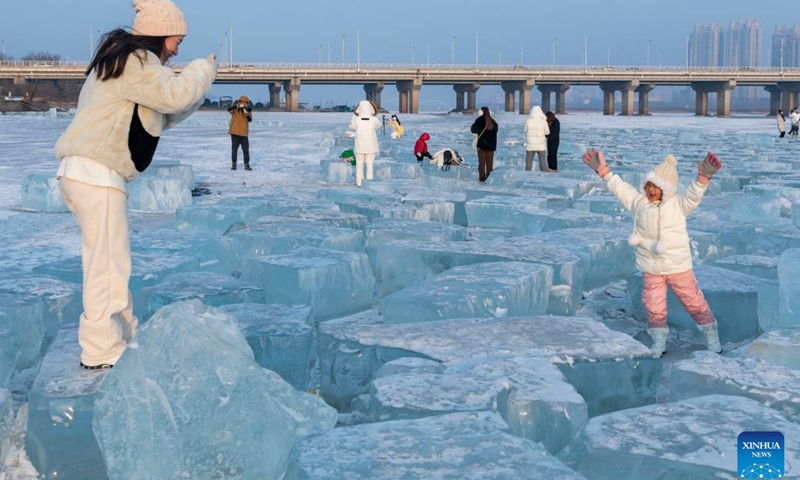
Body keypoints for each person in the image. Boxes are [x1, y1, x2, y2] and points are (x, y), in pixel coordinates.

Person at [54, 0, 217, 369]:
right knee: (107, 265)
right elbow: (174, 94)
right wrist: (203, 69)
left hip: (86, 173)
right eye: (177, 40)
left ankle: (124, 333)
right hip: (96, 173)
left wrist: (196, 85)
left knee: (112, 260)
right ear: (160, 35)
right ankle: (101, 350)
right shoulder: (137, 63)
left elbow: (165, 110)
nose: (177, 49)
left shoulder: (125, 65)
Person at [581, 148, 724, 357]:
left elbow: (693, 195)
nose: (651, 191)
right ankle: (659, 342)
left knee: (694, 302)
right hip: (651, 268)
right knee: (654, 306)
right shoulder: (639, 204)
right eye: (649, 186)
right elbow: (621, 189)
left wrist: (703, 177)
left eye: (656, 188)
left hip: (677, 266)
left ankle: (711, 335)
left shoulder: (678, 204)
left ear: (666, 189)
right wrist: (604, 171)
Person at [349, 100, 381, 187]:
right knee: (370, 164)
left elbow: (351, 126)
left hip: (360, 146)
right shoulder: (374, 120)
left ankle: (359, 182)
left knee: (359, 164)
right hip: (371, 146)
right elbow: (379, 125)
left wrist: (355, 115)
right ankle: (369, 182)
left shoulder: (357, 120)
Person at [471, 106, 498, 182]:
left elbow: (473, 130)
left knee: (482, 164)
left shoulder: (479, 120)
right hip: (491, 147)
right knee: (489, 164)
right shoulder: (493, 122)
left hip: (481, 146)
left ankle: (482, 178)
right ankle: (489, 178)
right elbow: (495, 132)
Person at [228, 95, 253, 170]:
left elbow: (249, 119)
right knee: (234, 150)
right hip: (235, 132)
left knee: (245, 150)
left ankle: (246, 164)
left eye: (245, 103)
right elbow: (229, 110)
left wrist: (244, 110)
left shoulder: (248, 110)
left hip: (244, 134)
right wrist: (238, 106)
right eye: (242, 102)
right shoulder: (235, 109)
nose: (244, 104)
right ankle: (234, 164)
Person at [523, 106, 549, 171]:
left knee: (529, 161)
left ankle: (527, 174)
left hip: (530, 144)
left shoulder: (528, 121)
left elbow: (525, 130)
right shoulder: (543, 121)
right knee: (543, 161)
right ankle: (544, 174)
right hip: (541, 144)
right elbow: (547, 132)